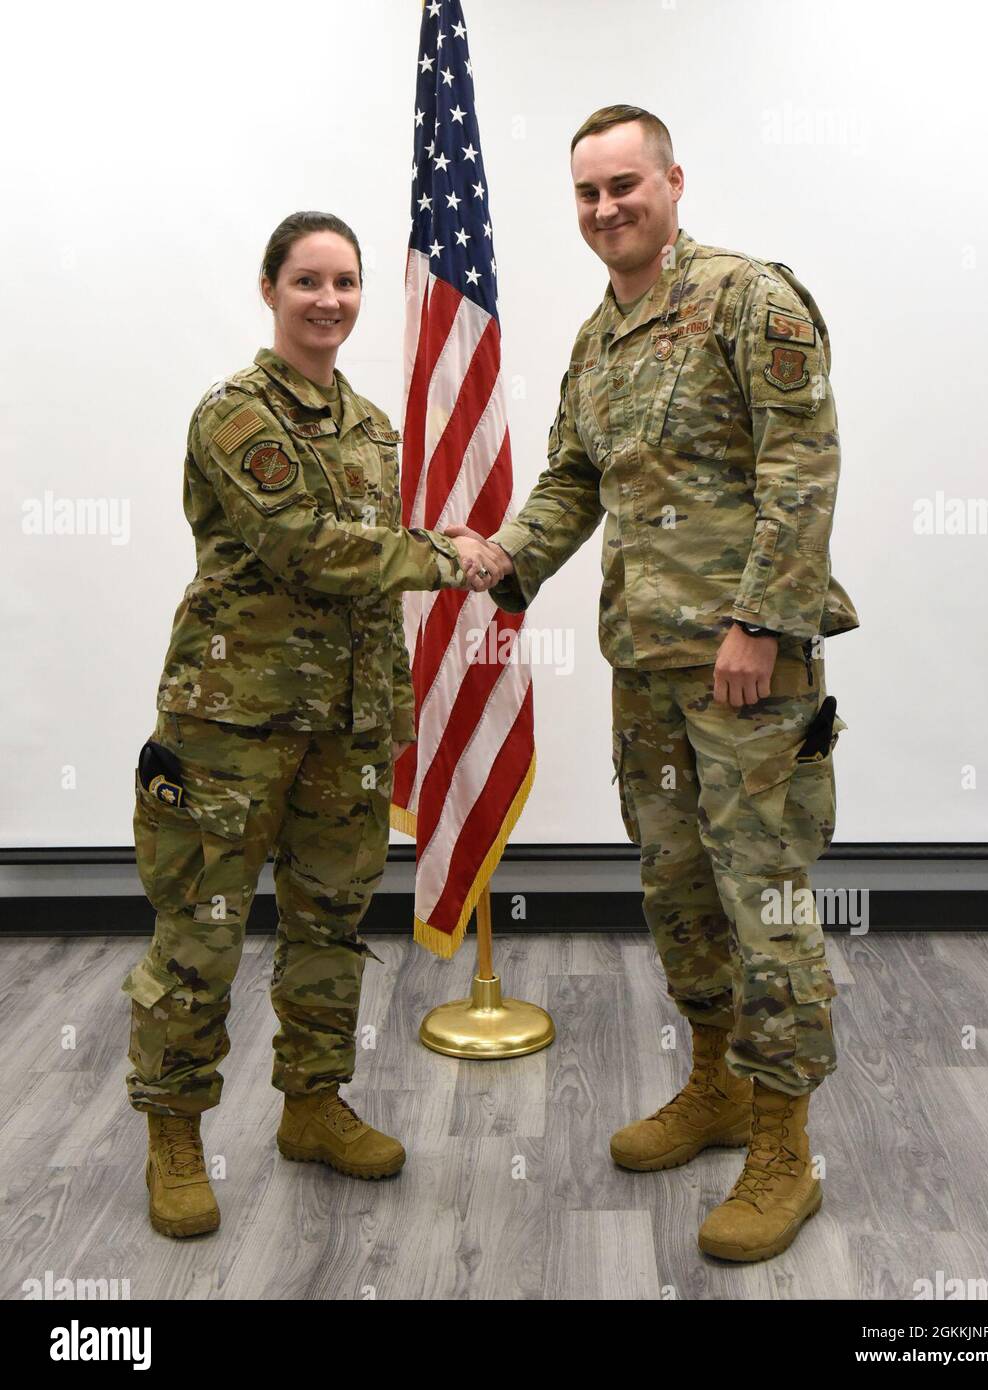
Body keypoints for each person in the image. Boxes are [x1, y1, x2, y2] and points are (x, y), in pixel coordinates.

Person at [449, 107, 860, 1263]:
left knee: (764, 899)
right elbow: (569, 482)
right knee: (676, 890)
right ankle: (719, 1085)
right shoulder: (596, 341)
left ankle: (784, 1148)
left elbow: (801, 460)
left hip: (747, 672)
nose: (604, 209)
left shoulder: (745, 298)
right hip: (646, 667)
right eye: (585, 194)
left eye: (623, 185)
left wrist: (759, 621)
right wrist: (501, 557)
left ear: (672, 180)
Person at [123, 211, 507, 1239]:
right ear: (269, 290)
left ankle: (311, 1105)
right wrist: (445, 553)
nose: (328, 300)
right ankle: (173, 1133)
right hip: (230, 725)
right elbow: (306, 548)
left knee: (328, 928)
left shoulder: (376, 427)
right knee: (199, 936)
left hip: (344, 724)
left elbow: (363, 577)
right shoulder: (235, 415)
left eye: (344, 282)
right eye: (306, 281)